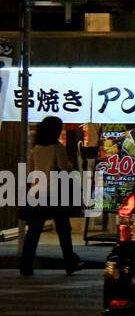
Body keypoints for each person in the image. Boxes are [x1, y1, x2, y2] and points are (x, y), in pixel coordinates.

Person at [20, 116, 83, 276]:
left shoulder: (36, 149)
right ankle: (70, 262)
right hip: (54, 194)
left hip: (36, 193)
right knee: (63, 230)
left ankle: (26, 265)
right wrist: (70, 164)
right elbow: (64, 168)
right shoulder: (57, 148)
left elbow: (30, 172)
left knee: (34, 231)